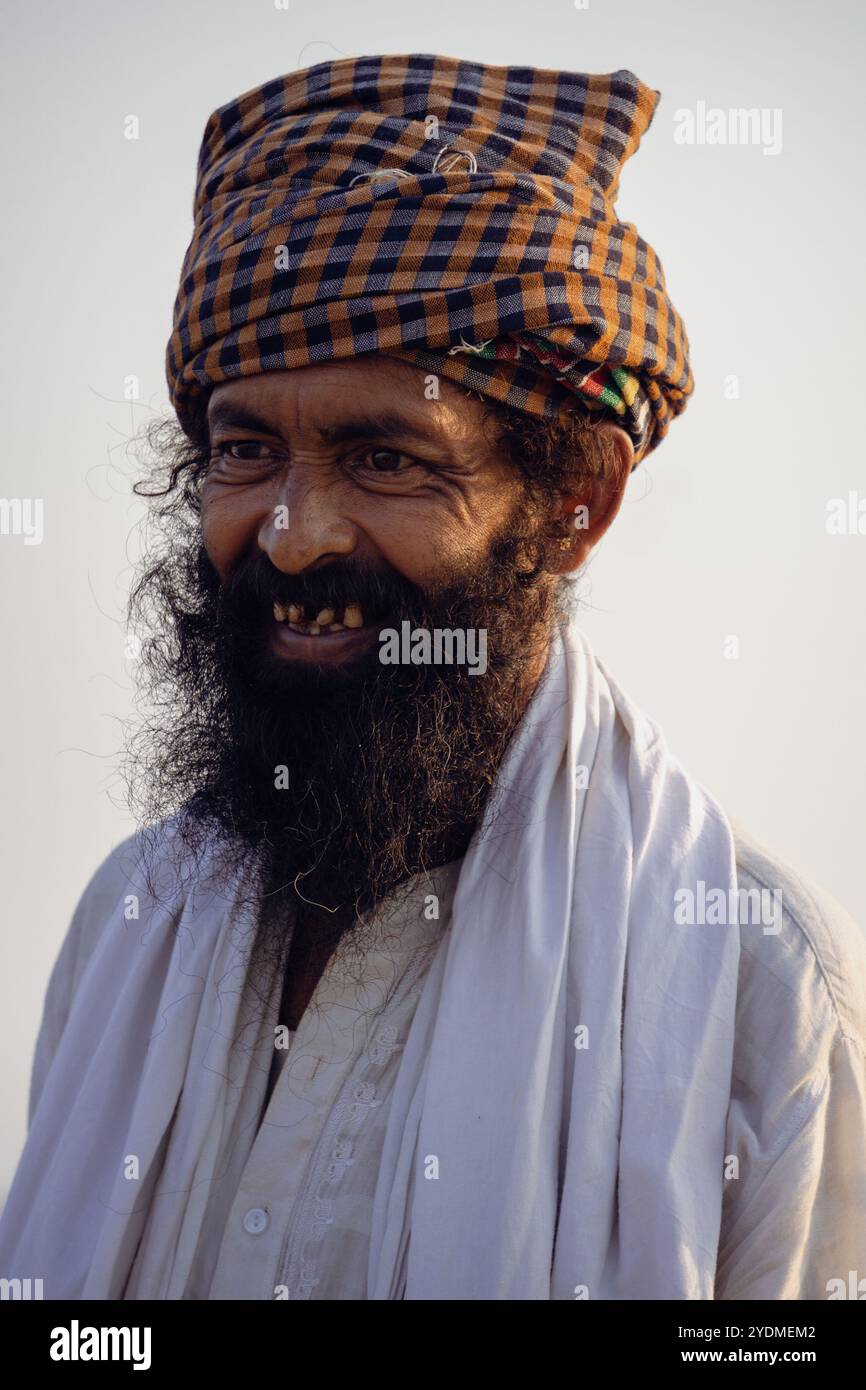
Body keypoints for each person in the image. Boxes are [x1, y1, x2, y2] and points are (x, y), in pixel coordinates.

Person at [1, 52, 864, 1301]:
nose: (293, 532)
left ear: (576, 503)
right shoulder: (130, 924)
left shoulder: (756, 993)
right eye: (245, 450)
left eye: (385, 458)